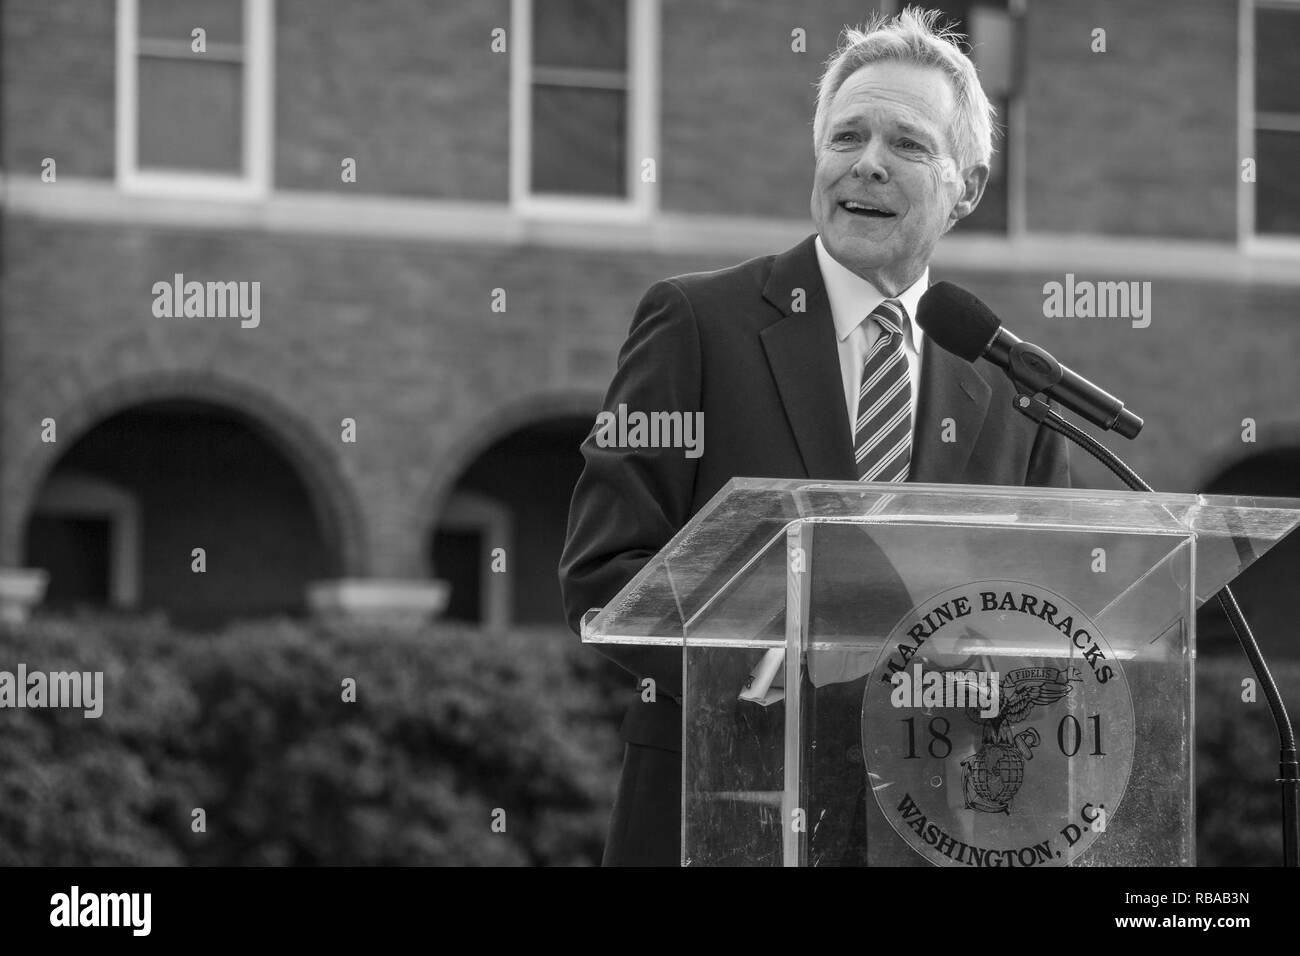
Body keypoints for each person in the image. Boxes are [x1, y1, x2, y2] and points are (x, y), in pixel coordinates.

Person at [559, 6, 1070, 867]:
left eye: (906, 144)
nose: (865, 163)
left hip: (934, 830)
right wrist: (779, 673)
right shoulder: (696, 325)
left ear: (968, 187)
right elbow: (604, 572)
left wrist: (995, 676)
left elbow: (1043, 622)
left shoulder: (1014, 390)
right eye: (846, 138)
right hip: (721, 812)